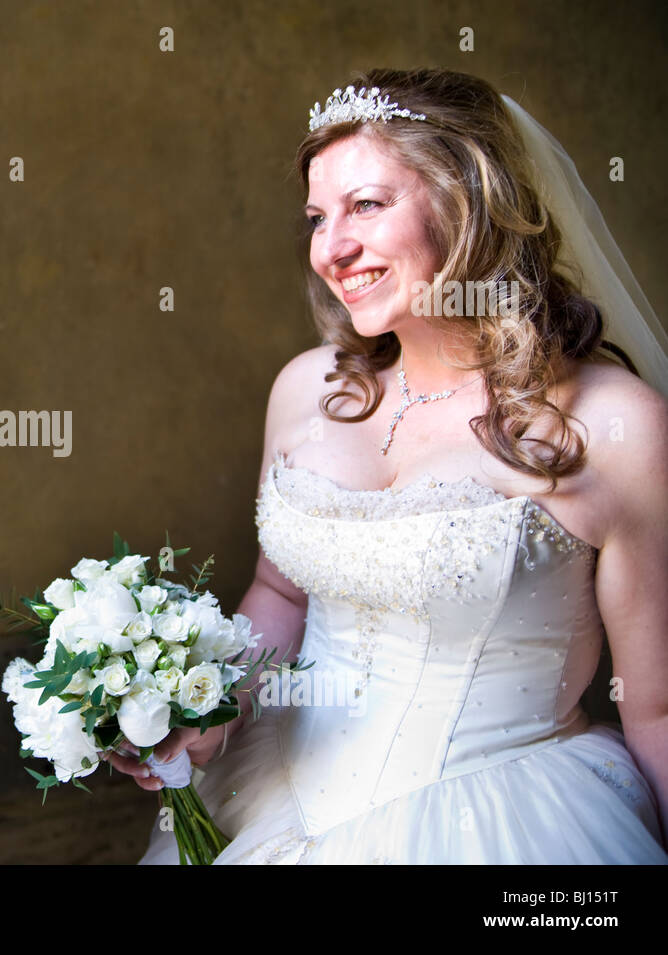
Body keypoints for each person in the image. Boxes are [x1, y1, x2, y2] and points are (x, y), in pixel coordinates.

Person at [111, 68, 668, 864]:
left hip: (508, 826)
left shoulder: (614, 426)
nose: (331, 249)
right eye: (316, 217)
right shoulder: (307, 389)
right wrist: (207, 705)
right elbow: (279, 592)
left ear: (469, 201)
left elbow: (658, 705)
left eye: (367, 205)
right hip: (278, 799)